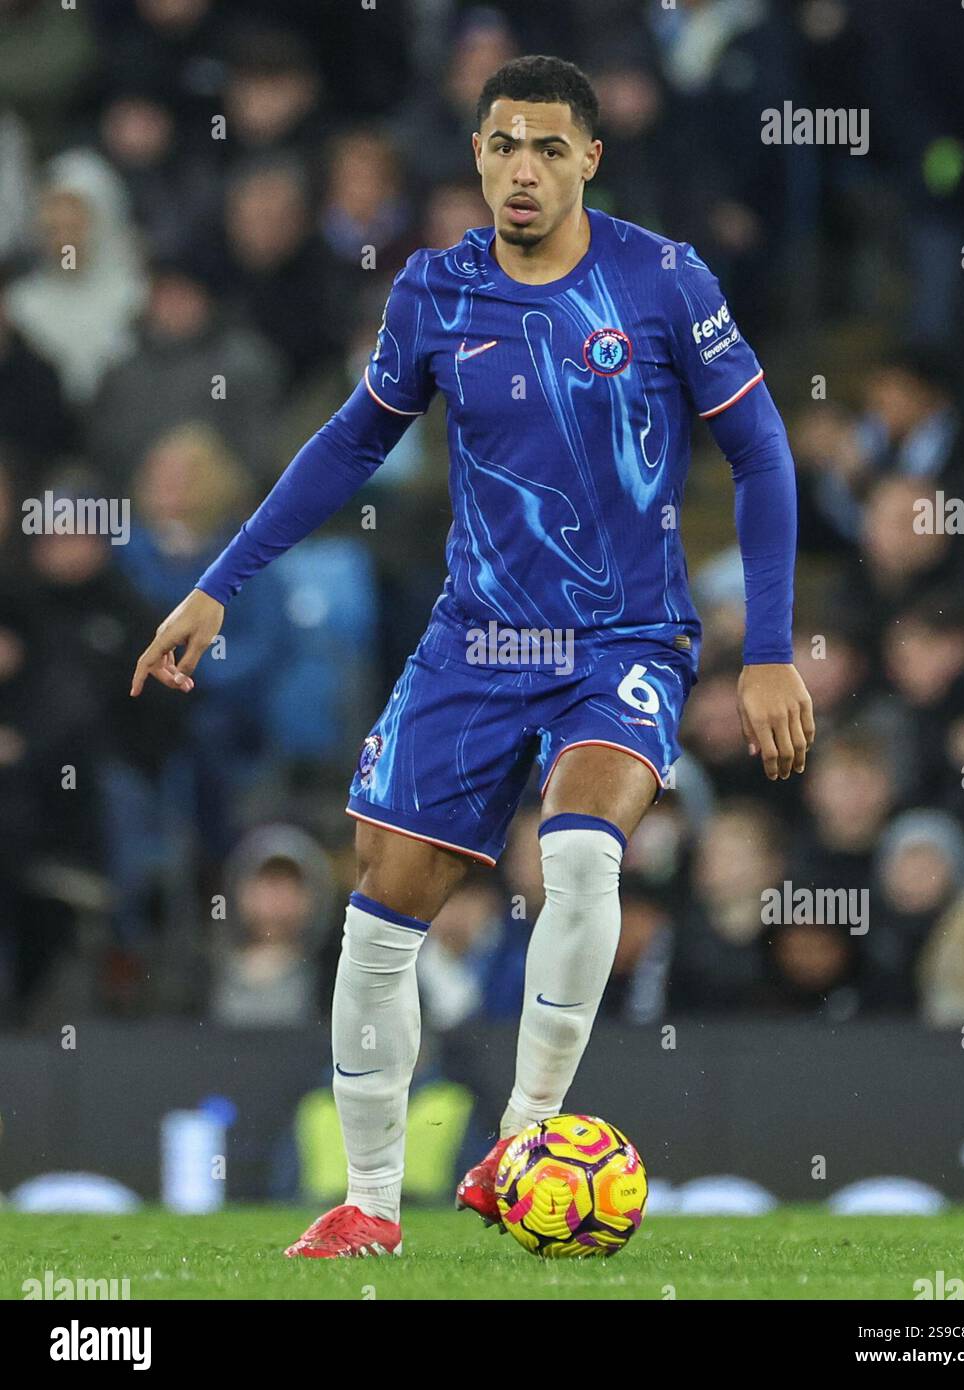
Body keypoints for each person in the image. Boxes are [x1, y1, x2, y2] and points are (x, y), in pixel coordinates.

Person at [130, 55, 814, 1257]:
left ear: (590, 160)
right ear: (476, 154)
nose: (522, 170)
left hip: (623, 638)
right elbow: (348, 446)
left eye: (550, 148)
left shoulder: (661, 279)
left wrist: (766, 648)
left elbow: (759, 453)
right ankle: (370, 1205)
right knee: (378, 920)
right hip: (477, 641)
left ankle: (526, 1136)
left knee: (582, 856)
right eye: (503, 144)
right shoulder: (434, 294)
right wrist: (216, 584)